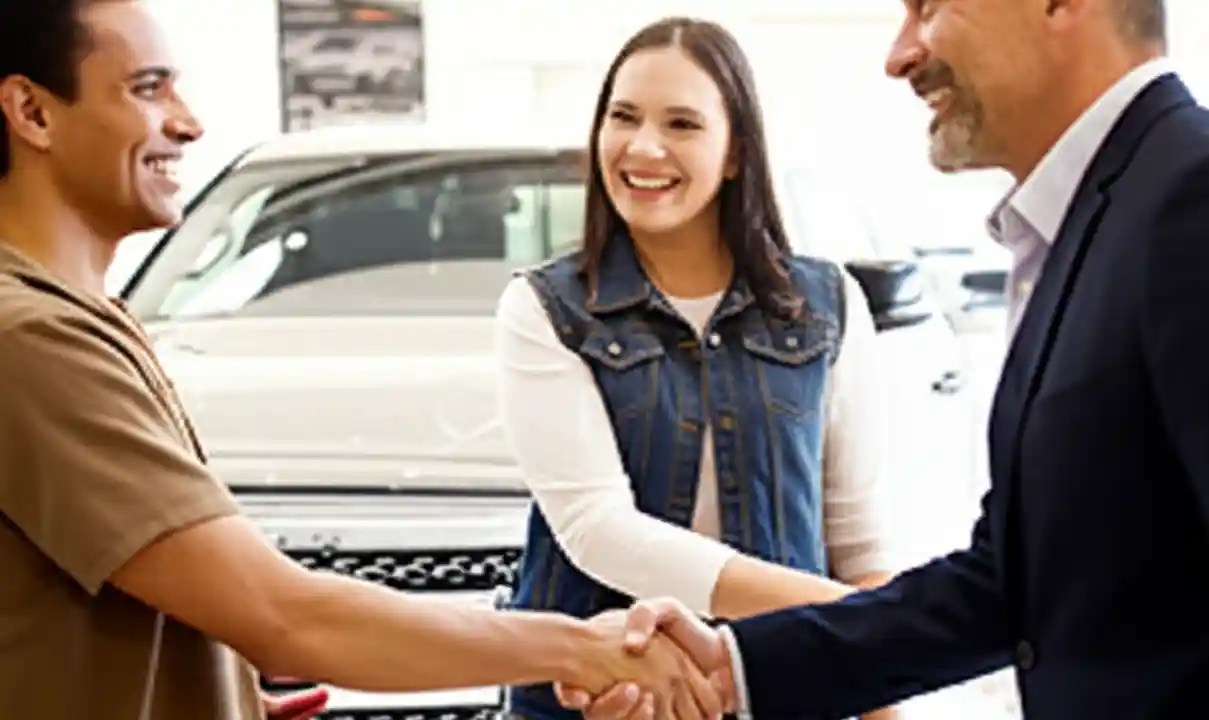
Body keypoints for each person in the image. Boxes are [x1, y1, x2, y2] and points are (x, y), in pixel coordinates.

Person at [0, 3, 721, 719]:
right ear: (31, 111)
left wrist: (219, 694)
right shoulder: (30, 340)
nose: (188, 123)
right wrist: (579, 648)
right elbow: (285, 619)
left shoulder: (83, 320)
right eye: (148, 88)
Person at [567, 0, 1209, 717]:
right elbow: (1011, 581)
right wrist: (736, 666)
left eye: (930, 8)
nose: (900, 56)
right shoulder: (1090, 224)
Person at [494, 15, 899, 720]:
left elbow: (857, 539)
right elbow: (599, 530)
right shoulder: (545, 309)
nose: (643, 147)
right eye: (624, 117)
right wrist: (855, 616)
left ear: (736, 152)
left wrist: (881, 682)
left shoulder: (825, 304)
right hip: (598, 701)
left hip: (784, 696)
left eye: (682, 124)